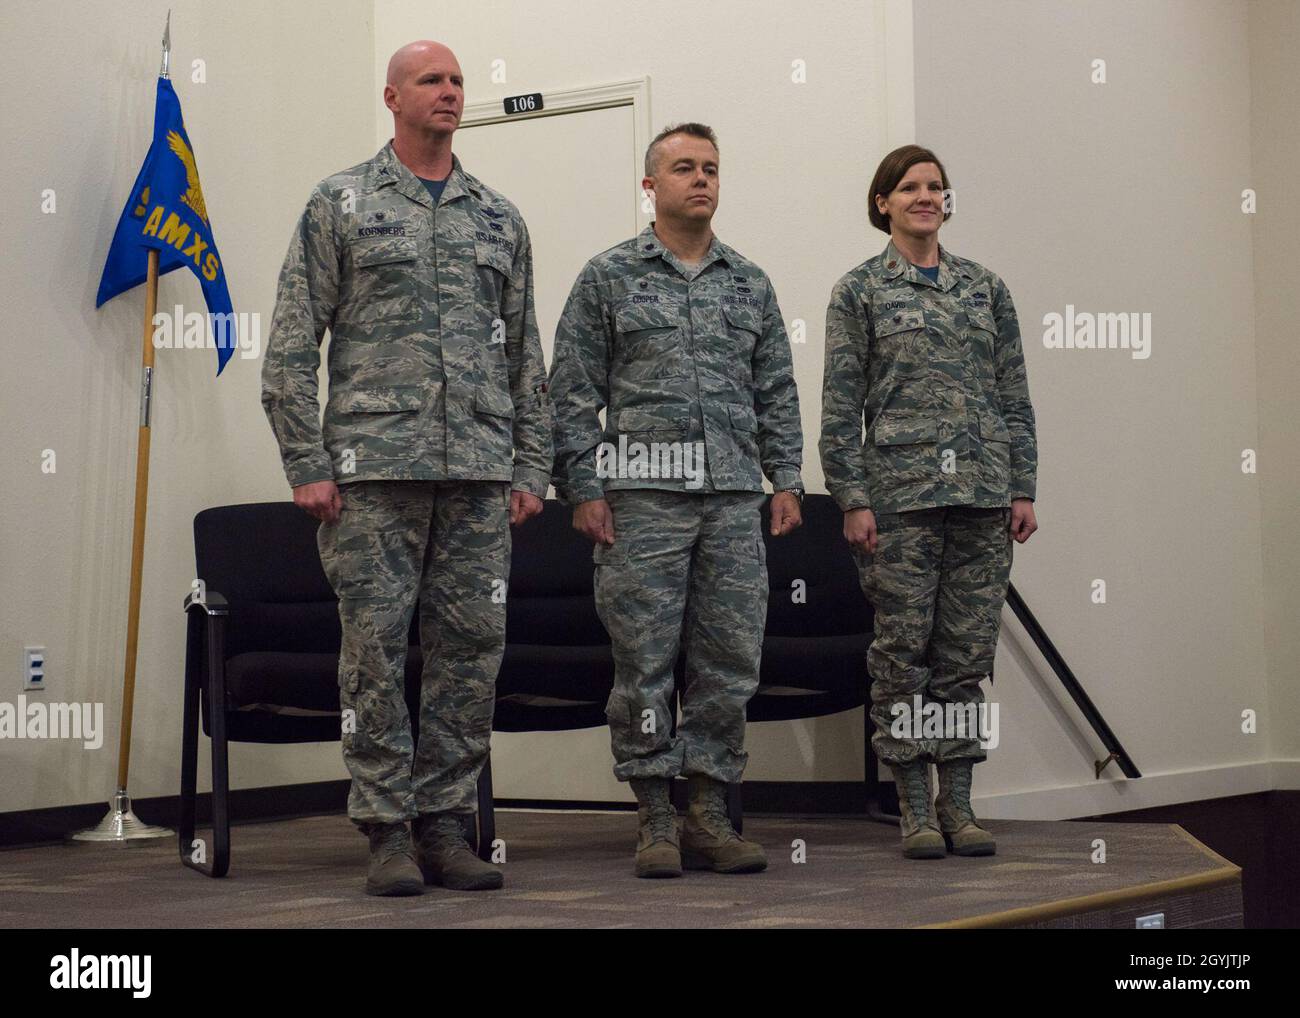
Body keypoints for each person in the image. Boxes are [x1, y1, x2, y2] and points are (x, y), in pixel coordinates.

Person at [261, 40, 552, 895]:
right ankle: (385, 827)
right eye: (432, 80)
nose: (450, 92)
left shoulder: (498, 217)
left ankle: (444, 825)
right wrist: (306, 462)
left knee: (471, 647)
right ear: (391, 97)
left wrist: (529, 465)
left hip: (478, 475)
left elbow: (523, 355)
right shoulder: (340, 202)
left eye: (458, 81)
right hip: (370, 472)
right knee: (375, 652)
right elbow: (288, 345)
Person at [549, 123, 804, 879]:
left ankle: (709, 812)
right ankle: (655, 815)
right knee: (645, 661)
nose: (702, 180)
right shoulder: (609, 277)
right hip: (643, 502)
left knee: (729, 662)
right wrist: (583, 488)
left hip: (730, 498)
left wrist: (784, 477)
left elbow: (776, 390)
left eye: (712, 169)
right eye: (684, 168)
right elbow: (570, 391)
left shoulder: (749, 282)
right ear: (650, 184)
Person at [819, 144, 1038, 859]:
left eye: (935, 187)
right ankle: (914, 807)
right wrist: (851, 498)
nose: (925, 197)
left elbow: (1013, 397)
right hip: (900, 503)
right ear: (883, 202)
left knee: (964, 658)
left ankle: (960, 805)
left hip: (981, 498)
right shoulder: (860, 292)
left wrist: (1022, 486)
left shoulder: (985, 288)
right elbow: (840, 405)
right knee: (903, 658)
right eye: (909, 187)